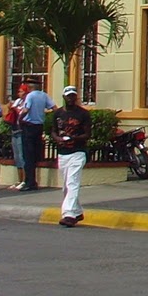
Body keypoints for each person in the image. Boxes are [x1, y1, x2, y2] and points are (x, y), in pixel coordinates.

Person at [51, 86, 92, 227]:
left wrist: (75, 138)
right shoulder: (58, 114)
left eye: (73, 96)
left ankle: (68, 214)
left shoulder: (83, 114)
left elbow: (87, 134)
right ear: (64, 97)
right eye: (68, 96)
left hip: (77, 152)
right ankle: (77, 211)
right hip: (63, 153)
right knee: (66, 187)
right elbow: (53, 131)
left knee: (72, 183)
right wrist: (58, 139)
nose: (71, 98)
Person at [17, 78, 54, 191]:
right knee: (34, 155)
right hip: (39, 126)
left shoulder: (30, 96)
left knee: (28, 155)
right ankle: (32, 180)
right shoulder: (44, 95)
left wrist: (19, 119)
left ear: (30, 86)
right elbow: (54, 107)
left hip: (29, 126)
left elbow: (26, 110)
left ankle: (30, 182)